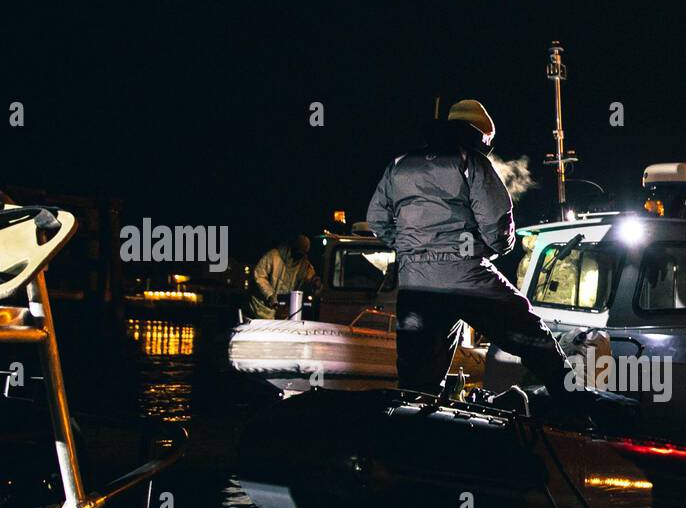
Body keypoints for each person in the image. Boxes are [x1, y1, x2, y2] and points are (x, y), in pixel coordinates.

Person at [366, 100, 607, 417]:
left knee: (416, 377)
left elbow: (376, 219)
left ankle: (410, 440)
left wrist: (413, 250)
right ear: (478, 134)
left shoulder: (400, 164)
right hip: (467, 277)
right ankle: (579, 412)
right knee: (534, 337)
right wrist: (499, 246)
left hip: (416, 287)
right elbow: (496, 222)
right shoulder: (471, 162)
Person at [249, 234, 321, 319]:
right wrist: (270, 295)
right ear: (291, 248)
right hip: (262, 308)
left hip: (283, 309)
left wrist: (315, 283)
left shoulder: (304, 264)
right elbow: (259, 275)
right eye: (298, 252)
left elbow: (310, 279)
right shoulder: (273, 256)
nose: (299, 256)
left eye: (302, 253)